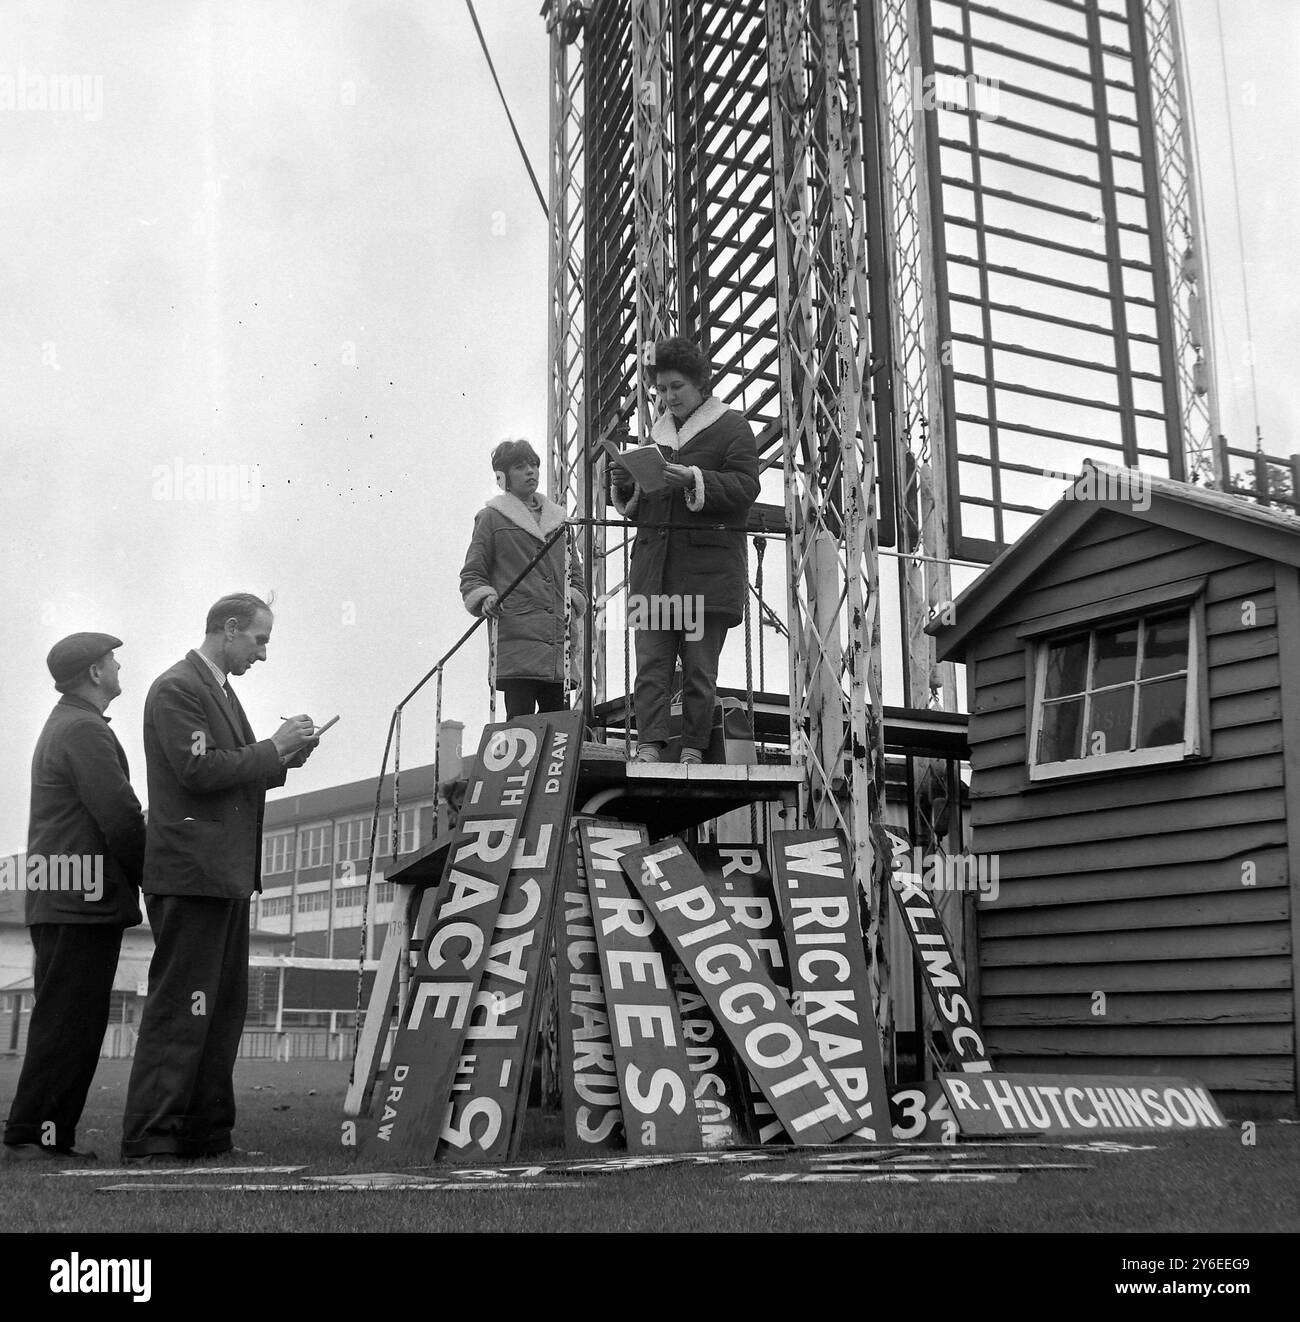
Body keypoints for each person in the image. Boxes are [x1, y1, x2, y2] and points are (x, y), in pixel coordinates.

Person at [120, 593, 318, 1162]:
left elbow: (233, 771)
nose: (262, 654)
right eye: (259, 640)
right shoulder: (178, 687)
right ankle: (155, 1136)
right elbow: (198, 769)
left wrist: (283, 758)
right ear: (229, 630)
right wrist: (270, 749)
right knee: (184, 1005)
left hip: (221, 876)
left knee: (221, 1010)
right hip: (193, 875)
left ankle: (206, 1134)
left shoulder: (216, 690)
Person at [2, 634, 146, 1163]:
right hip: (80, 901)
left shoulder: (67, 724)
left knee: (65, 1018)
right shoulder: (84, 729)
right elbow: (120, 817)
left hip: (62, 896)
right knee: (71, 1022)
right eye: (111, 660)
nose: (118, 665)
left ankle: (42, 1136)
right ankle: (31, 1139)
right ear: (93, 673)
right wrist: (156, 872)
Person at [611, 336, 759, 763]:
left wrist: (694, 478)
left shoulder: (732, 427)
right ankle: (649, 746)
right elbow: (646, 505)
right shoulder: (655, 437)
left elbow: (747, 486)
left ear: (700, 384)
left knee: (697, 670)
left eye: (676, 387)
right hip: (655, 573)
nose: (667, 397)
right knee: (651, 668)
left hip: (704, 574)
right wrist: (628, 485)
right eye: (661, 389)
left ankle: (693, 748)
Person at [459, 439, 587, 718]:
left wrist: (572, 604)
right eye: (520, 466)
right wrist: (485, 596)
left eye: (534, 464)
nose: (531, 471)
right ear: (502, 477)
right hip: (517, 640)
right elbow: (472, 573)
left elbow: (576, 577)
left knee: (559, 732)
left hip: (557, 641)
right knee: (520, 730)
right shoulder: (491, 518)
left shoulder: (560, 521)